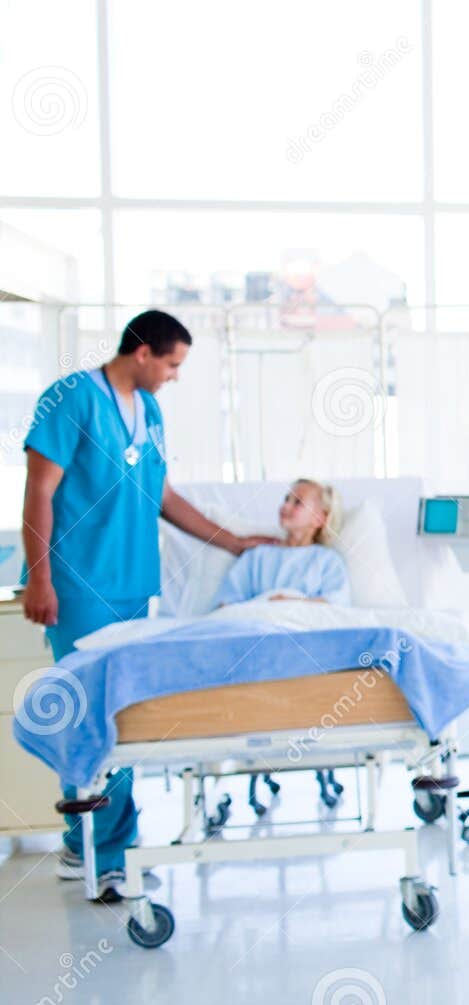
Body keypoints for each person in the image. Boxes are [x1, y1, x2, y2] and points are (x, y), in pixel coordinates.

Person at [20, 309, 278, 899]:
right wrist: (39, 581)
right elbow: (38, 490)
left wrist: (231, 540)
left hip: (133, 584)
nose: (175, 376)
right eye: (172, 364)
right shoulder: (72, 399)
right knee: (90, 716)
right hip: (77, 584)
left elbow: (161, 494)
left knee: (125, 717)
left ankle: (86, 843)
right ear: (143, 353)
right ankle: (106, 856)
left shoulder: (151, 412)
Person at [213, 478, 350, 607]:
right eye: (286, 499)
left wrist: (292, 604)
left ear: (319, 519)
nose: (285, 506)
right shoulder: (257, 555)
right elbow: (227, 604)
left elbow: (337, 606)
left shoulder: (328, 560)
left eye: (297, 502)